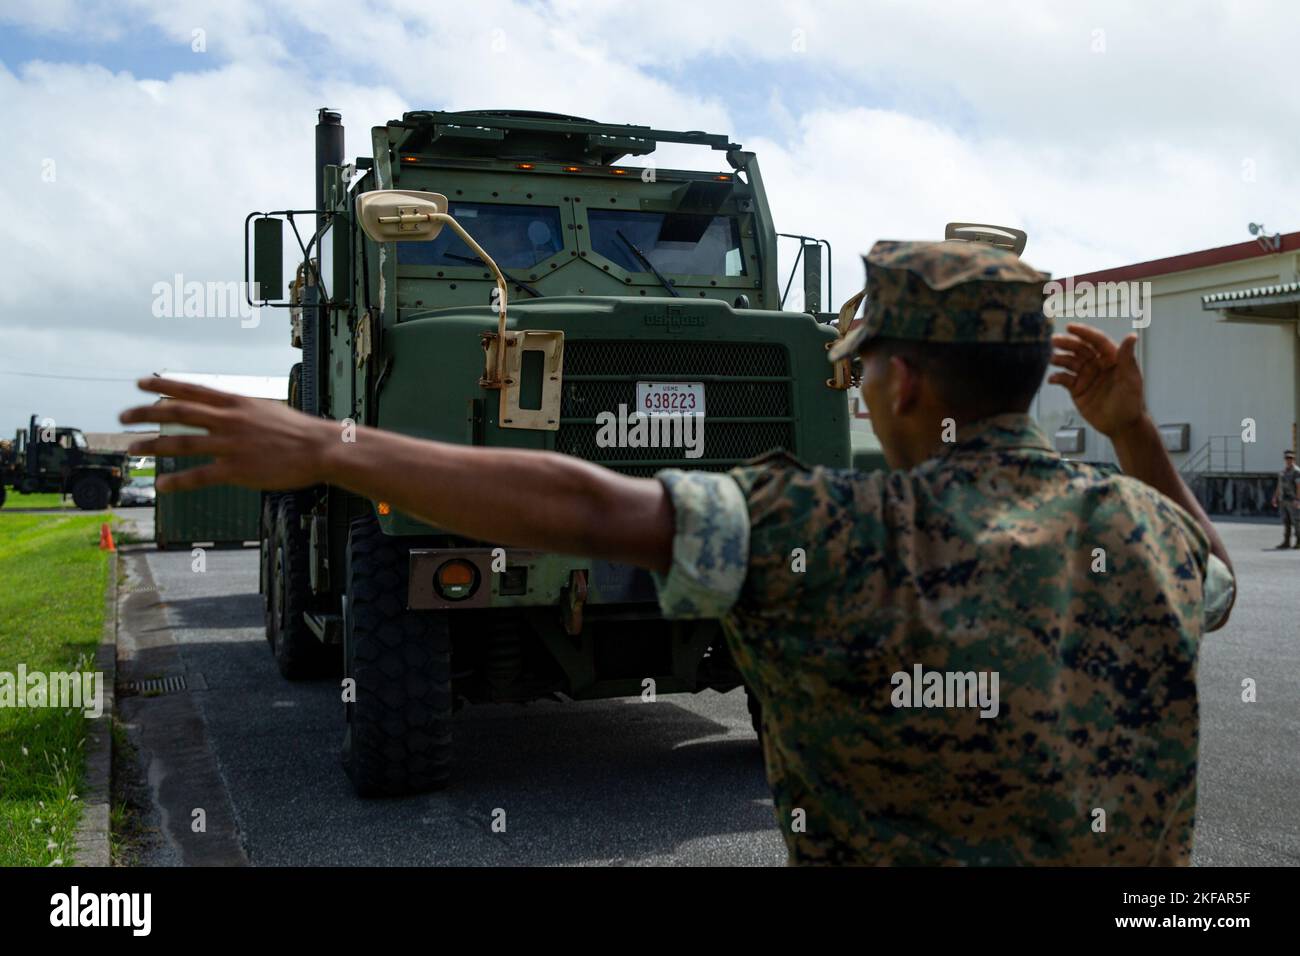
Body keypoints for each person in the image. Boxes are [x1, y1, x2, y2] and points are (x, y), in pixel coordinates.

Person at [120, 239, 1236, 866]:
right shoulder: (1146, 535)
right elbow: (1211, 562)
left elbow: (595, 508)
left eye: (857, 366)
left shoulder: (830, 532)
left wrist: (330, 444)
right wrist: (1131, 429)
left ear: (898, 382)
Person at [1270, 450, 1300, 548]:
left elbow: (1299, 486)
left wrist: (1298, 499)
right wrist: (1275, 497)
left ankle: (1299, 541)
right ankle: (1286, 541)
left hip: (1293, 500)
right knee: (1286, 521)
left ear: (1294, 459)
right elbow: (1279, 486)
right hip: (1283, 500)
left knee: (1296, 521)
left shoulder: (1297, 471)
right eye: (1287, 458)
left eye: (1290, 458)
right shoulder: (1283, 472)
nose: (1289, 460)